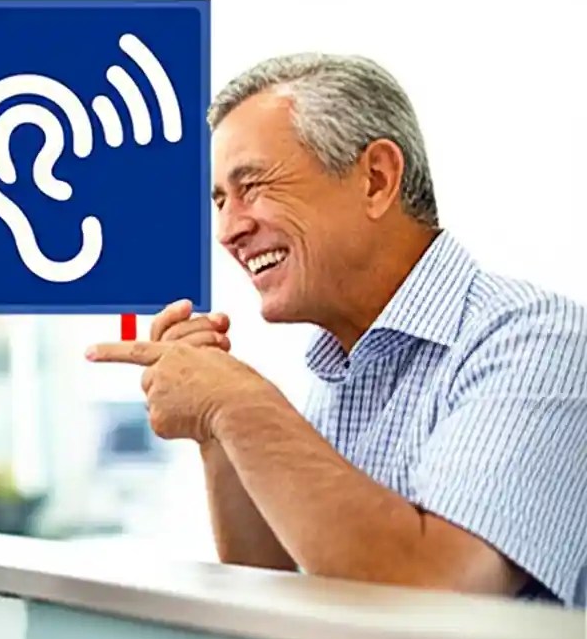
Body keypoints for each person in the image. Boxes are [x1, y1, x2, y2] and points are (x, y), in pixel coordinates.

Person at [86, 53, 587, 607]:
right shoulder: (338, 369)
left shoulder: (539, 341)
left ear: (376, 179)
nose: (229, 230)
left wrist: (239, 404)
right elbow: (275, 589)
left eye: (252, 185)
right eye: (221, 201)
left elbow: (438, 593)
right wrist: (217, 433)